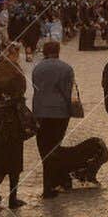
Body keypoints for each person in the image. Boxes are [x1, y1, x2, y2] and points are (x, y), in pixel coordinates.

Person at [30, 38, 78, 198]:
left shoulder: (37, 69)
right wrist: (73, 110)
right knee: (55, 146)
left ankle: (51, 183)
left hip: (41, 112)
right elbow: (68, 92)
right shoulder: (66, 69)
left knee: (44, 148)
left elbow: (36, 90)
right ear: (58, 51)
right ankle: (54, 183)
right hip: (60, 113)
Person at [0, 42, 30, 208]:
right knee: (14, 160)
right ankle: (13, 198)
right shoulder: (17, 72)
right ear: (15, 55)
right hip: (13, 120)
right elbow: (21, 93)